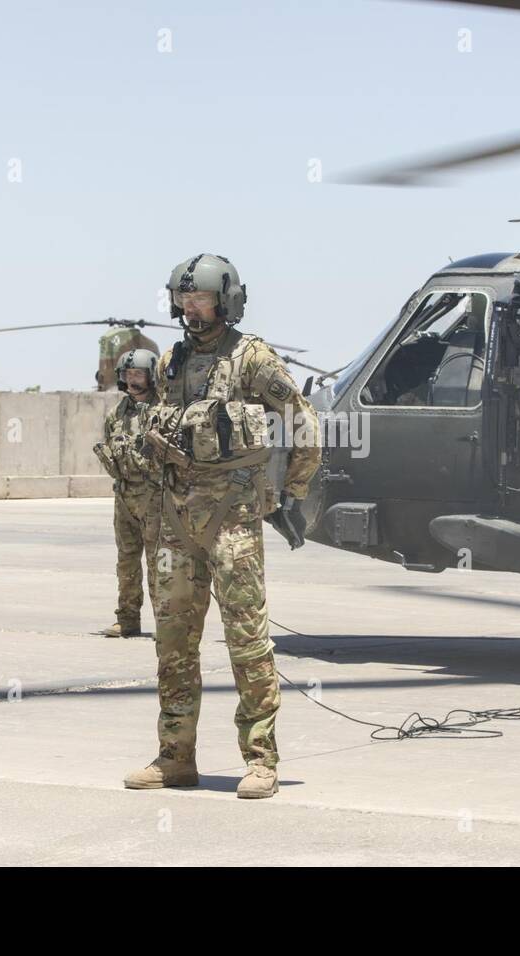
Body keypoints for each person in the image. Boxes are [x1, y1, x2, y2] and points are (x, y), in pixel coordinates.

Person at [124, 253, 320, 799]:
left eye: (202, 299)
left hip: (232, 520)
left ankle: (261, 761)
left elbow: (302, 422)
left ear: (226, 301)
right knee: (173, 641)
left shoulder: (252, 358)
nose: (191, 308)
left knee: (247, 639)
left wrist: (293, 494)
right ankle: (174, 757)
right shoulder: (168, 362)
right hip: (174, 522)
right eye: (185, 299)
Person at [92, 349, 161, 638]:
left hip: (155, 498)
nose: (133, 381)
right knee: (127, 562)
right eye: (128, 375)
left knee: (160, 563)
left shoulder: (164, 410)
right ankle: (128, 618)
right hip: (124, 497)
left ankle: (166, 623)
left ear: (151, 376)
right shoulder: (117, 413)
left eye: (138, 375)